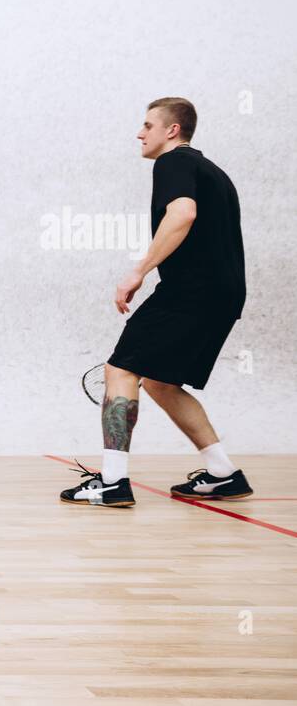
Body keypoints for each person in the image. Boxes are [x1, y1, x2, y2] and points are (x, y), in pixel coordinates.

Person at [62, 98, 252, 507]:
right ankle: (224, 474)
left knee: (121, 369)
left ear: (172, 130)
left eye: (148, 125)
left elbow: (182, 214)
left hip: (192, 291)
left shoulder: (173, 162)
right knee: (162, 382)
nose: (139, 133)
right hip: (225, 293)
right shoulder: (213, 171)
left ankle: (112, 482)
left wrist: (139, 271)